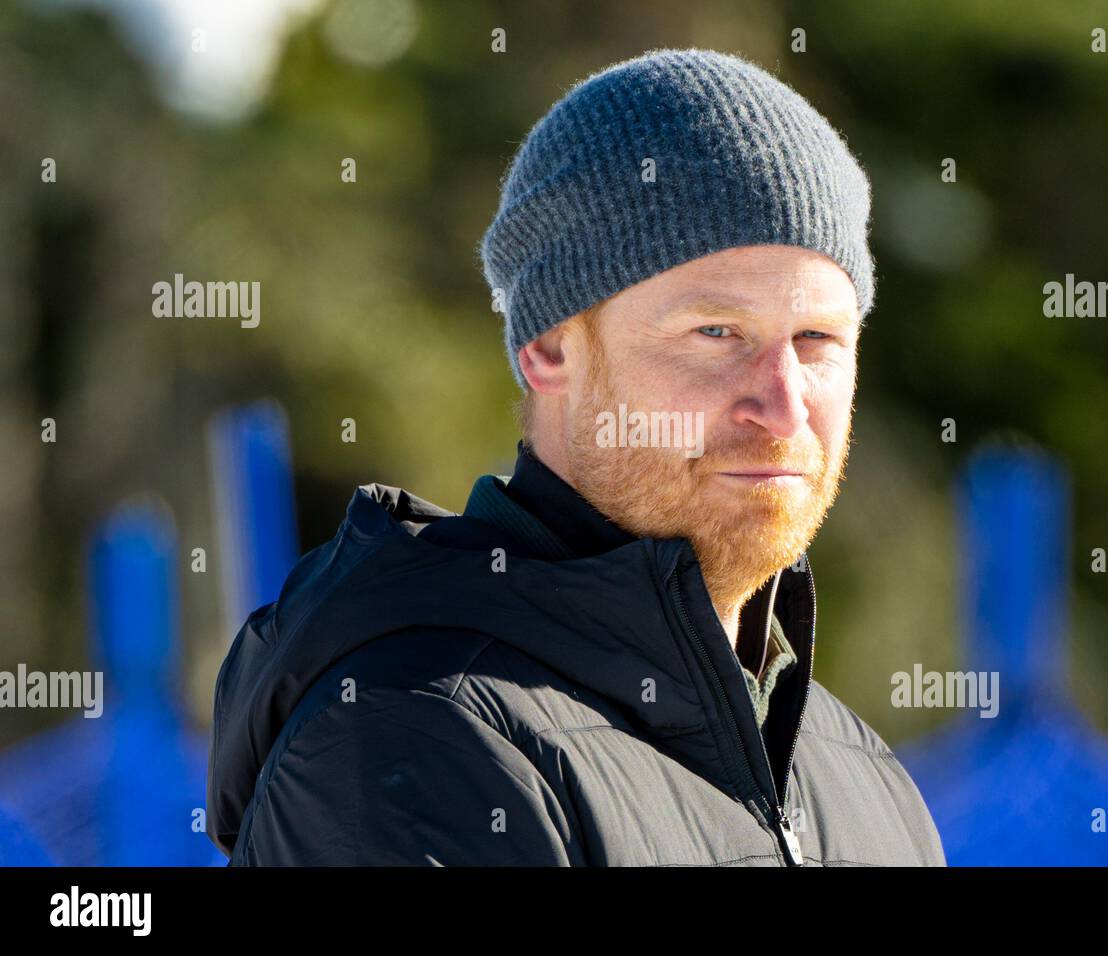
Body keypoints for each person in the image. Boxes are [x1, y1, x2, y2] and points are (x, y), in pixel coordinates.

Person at [206, 47, 945, 866]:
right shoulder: (411, 738)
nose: (781, 403)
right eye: (715, 333)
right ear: (549, 347)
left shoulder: (861, 775)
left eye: (817, 339)